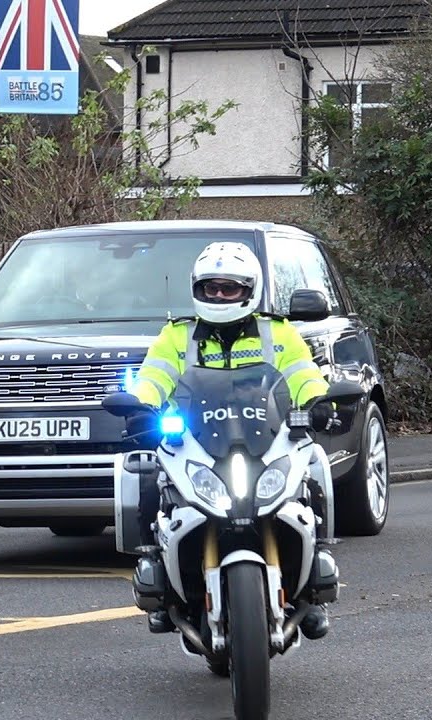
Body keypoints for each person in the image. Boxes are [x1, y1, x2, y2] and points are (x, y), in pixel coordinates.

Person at [126, 241, 336, 641]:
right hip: (197, 439)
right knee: (149, 473)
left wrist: (316, 400)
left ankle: (316, 582)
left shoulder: (276, 332)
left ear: (250, 290)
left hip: (266, 435)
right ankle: (156, 567)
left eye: (230, 288)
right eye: (211, 288)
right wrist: (140, 405)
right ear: (197, 289)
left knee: (315, 465)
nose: (219, 296)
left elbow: (302, 372)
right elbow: (154, 376)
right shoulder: (177, 335)